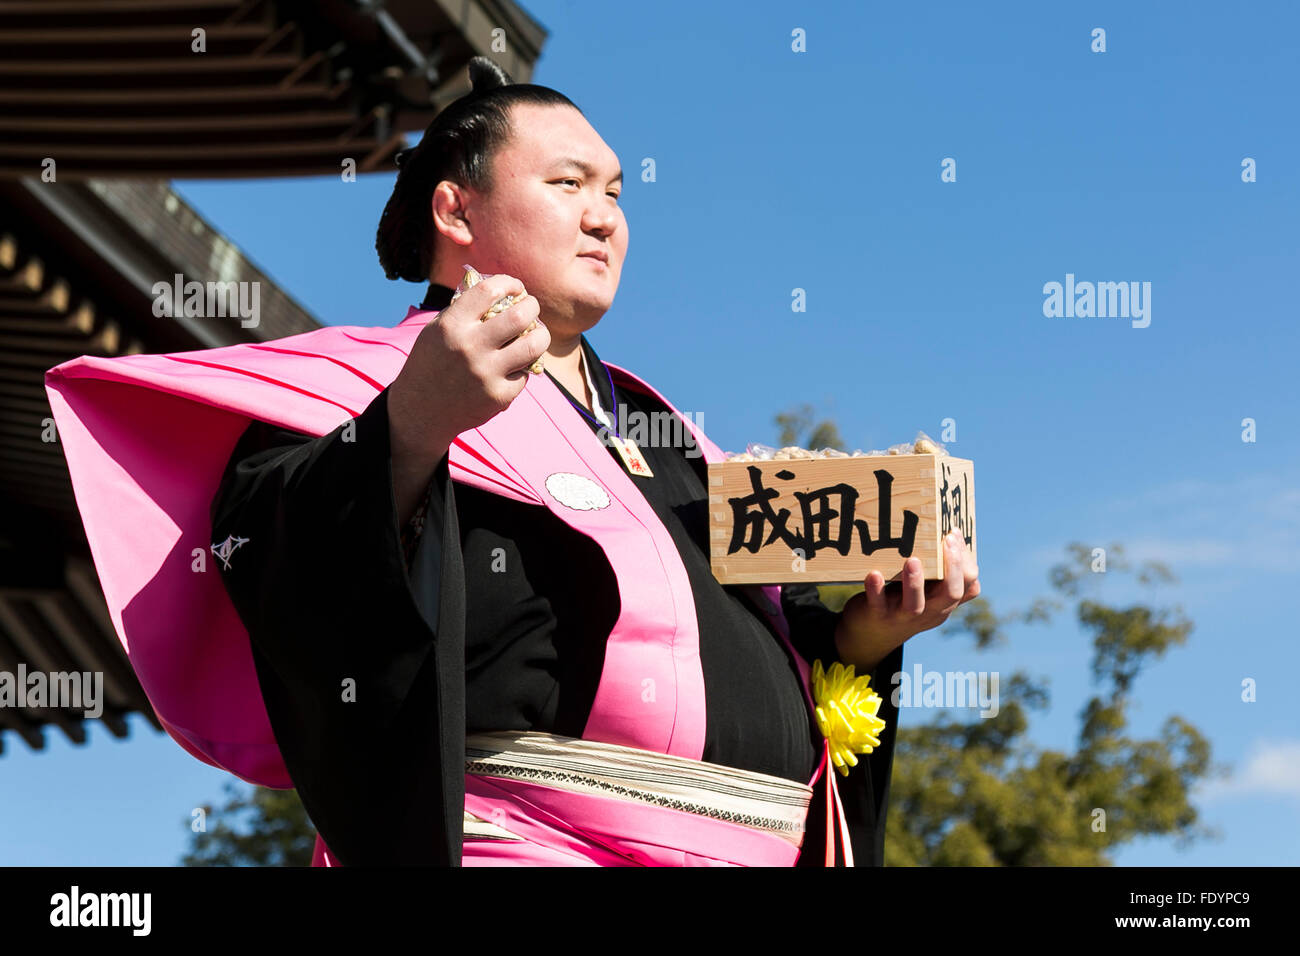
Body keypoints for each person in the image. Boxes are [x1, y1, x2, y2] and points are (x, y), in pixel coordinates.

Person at [46, 57, 979, 867]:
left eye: (615, 192)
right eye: (568, 185)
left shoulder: (672, 436)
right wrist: (410, 427)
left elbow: (771, 647)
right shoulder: (353, 389)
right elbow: (286, 568)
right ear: (456, 210)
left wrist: (867, 629)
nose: (606, 219)